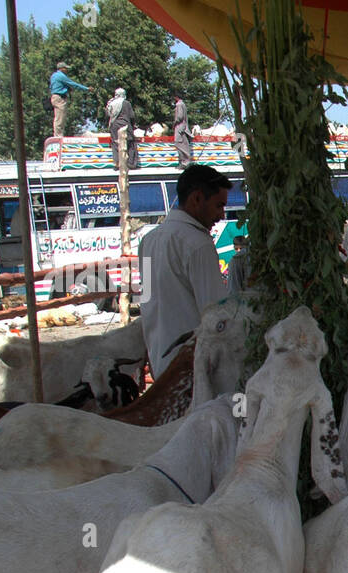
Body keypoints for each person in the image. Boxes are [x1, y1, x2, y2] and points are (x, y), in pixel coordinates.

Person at [138, 164, 232, 375]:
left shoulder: (147, 241)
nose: (222, 215)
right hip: (194, 368)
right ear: (197, 199)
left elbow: (147, 303)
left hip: (160, 364)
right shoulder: (198, 244)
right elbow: (216, 316)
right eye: (219, 206)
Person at [49, 62, 89, 139]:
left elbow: (51, 86)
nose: (67, 70)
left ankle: (57, 134)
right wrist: (86, 88)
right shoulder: (61, 76)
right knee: (60, 118)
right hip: (60, 98)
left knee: (57, 117)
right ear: (61, 68)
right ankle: (58, 136)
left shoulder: (53, 76)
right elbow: (73, 84)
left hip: (54, 97)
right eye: (65, 68)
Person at [106, 88, 139, 170]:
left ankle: (117, 163)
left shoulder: (111, 103)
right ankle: (131, 163)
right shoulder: (126, 103)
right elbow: (131, 116)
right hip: (125, 125)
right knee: (130, 143)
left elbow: (108, 115)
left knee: (115, 143)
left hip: (114, 125)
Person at [173, 94, 193, 168]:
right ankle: (183, 161)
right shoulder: (182, 104)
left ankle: (185, 162)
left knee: (179, 143)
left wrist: (174, 123)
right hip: (182, 127)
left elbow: (180, 117)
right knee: (182, 143)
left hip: (180, 127)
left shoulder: (179, 104)